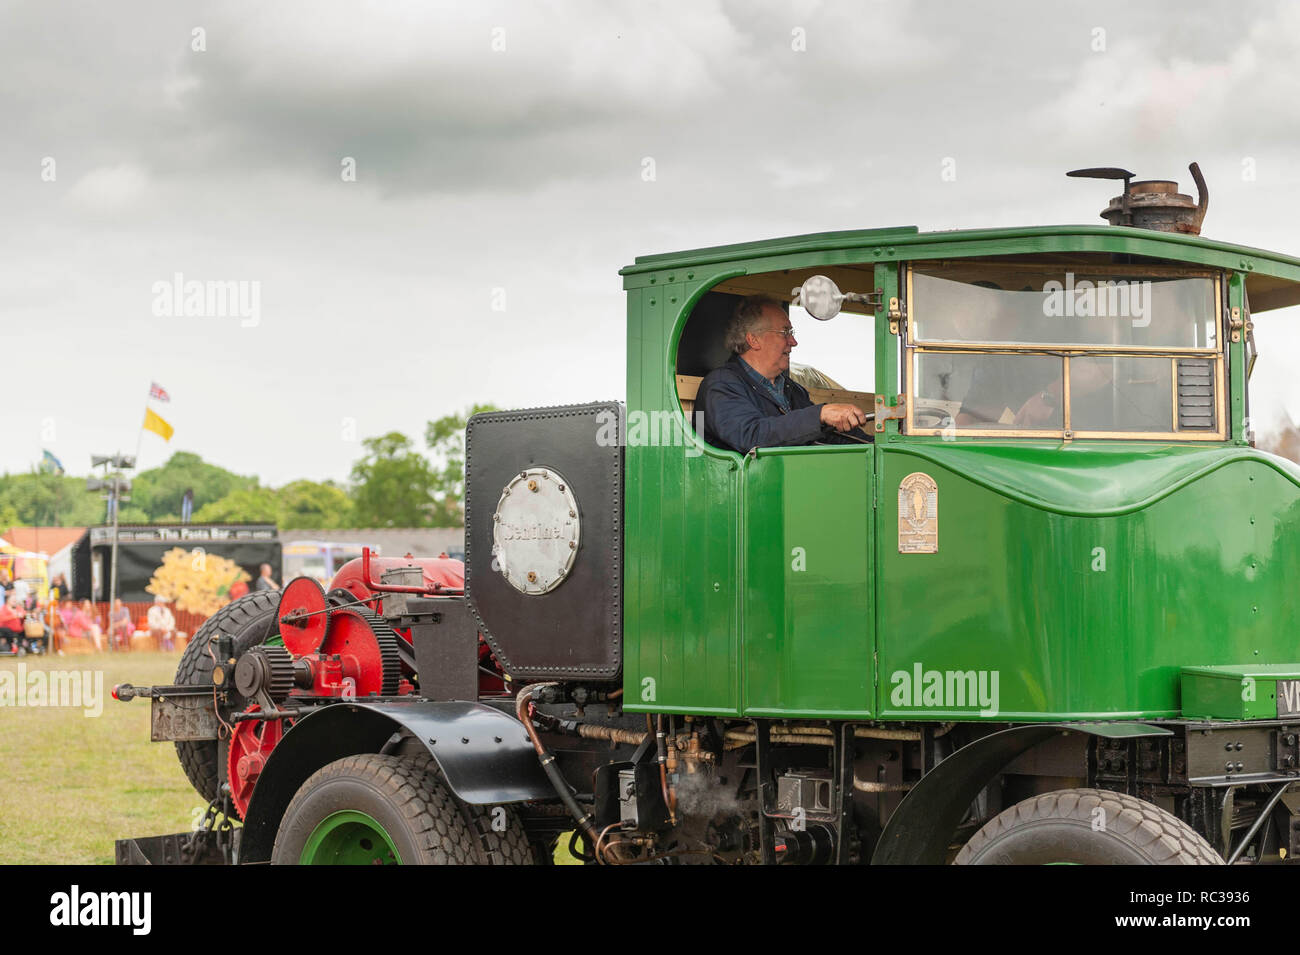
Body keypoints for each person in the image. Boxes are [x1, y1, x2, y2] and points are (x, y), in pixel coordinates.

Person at [699, 296, 872, 454]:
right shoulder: (721, 385)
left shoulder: (793, 390)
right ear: (754, 340)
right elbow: (751, 436)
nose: (793, 342)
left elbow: (826, 434)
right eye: (785, 332)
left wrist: (876, 446)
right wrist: (820, 414)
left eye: (791, 333)